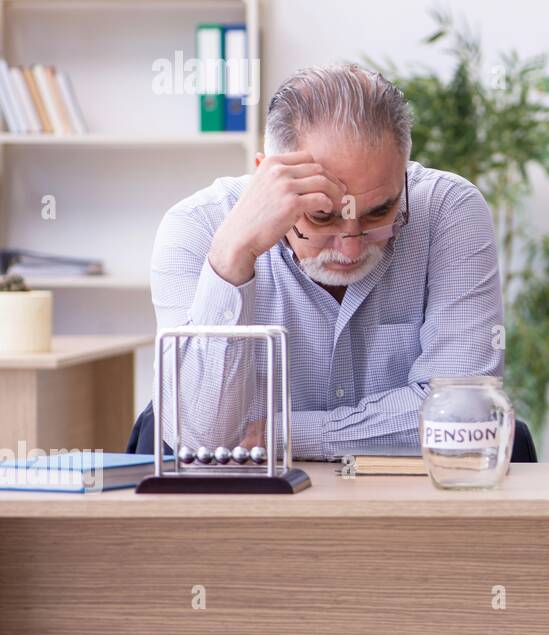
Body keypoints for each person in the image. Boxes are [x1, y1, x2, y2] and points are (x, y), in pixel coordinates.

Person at [148, 63, 502, 460]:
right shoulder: (196, 226)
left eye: (378, 213)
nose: (350, 249)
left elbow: (463, 414)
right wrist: (232, 258)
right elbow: (201, 438)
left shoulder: (447, 210)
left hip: (407, 506)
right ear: (267, 176)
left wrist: (282, 435)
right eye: (321, 216)